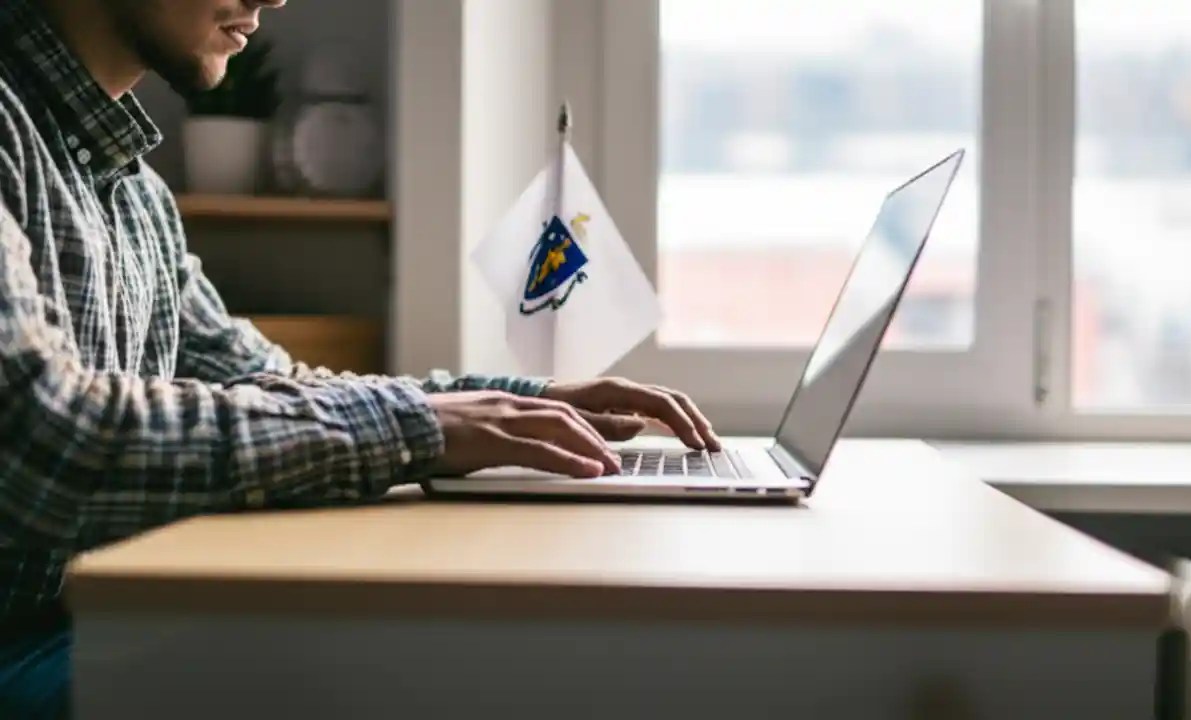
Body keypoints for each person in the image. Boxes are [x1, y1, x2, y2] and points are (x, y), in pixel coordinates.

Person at [0, 0, 721, 715]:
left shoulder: (135, 195)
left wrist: (523, 400)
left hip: (74, 626)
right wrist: (419, 427)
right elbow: (47, 439)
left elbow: (263, 379)